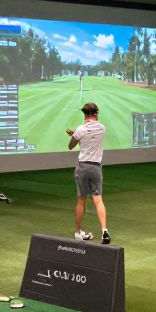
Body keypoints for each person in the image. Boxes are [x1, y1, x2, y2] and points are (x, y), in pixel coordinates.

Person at [66, 102, 110, 244]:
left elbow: (71, 146)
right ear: (96, 113)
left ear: (84, 113)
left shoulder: (81, 129)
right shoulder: (102, 128)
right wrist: (77, 135)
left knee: (81, 200)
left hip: (83, 167)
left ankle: (78, 232)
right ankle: (104, 232)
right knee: (98, 199)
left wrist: (74, 135)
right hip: (96, 167)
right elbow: (91, 140)